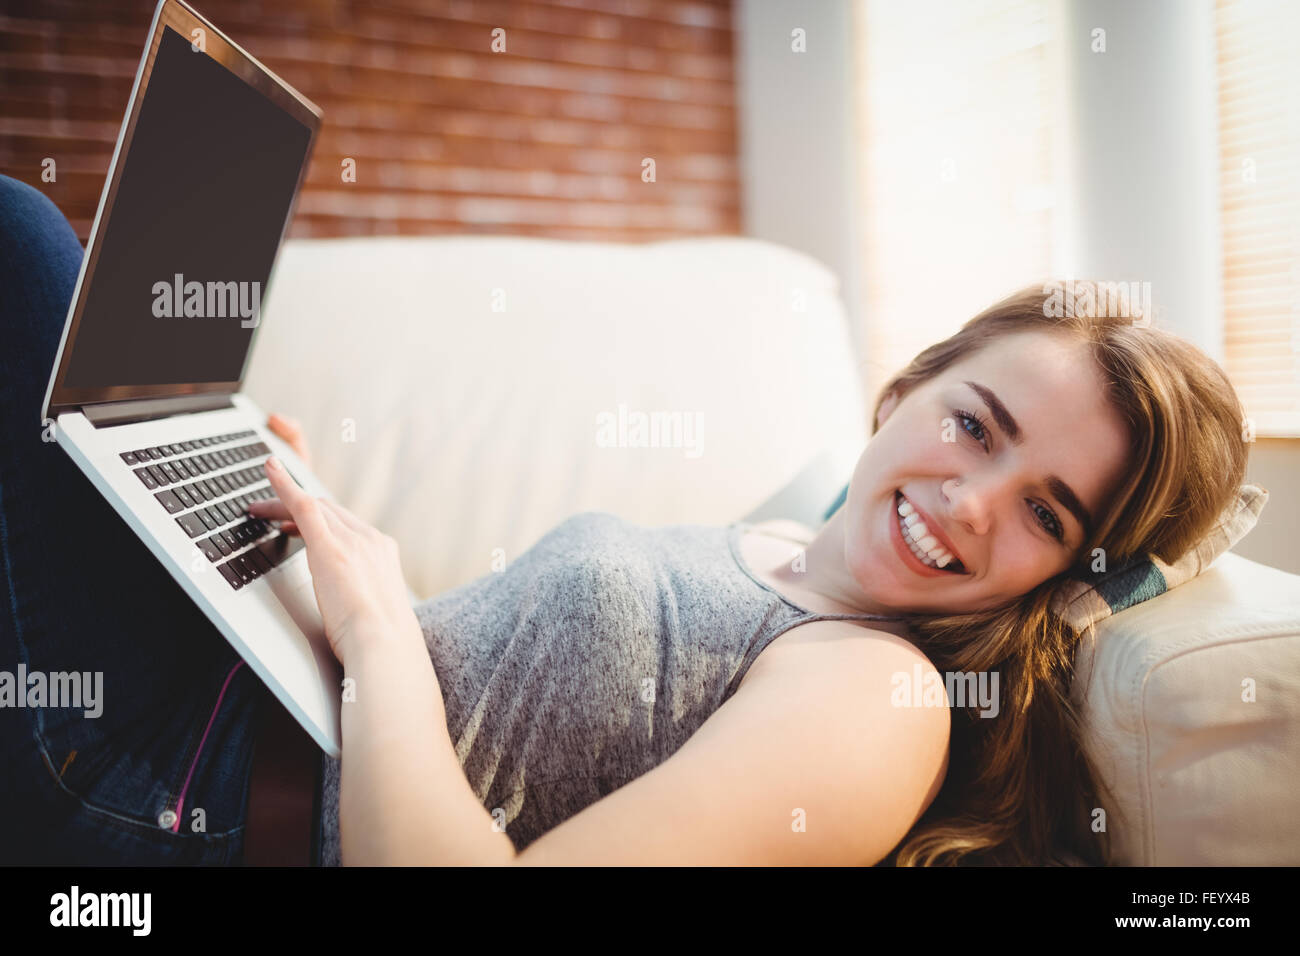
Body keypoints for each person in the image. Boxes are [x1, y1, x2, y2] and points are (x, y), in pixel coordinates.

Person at [0, 173, 1248, 865]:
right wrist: (316, 534)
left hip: (171, 797)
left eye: (1042, 509)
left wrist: (379, 629)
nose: (966, 502)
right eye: (974, 422)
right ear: (910, 382)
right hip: (231, 690)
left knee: (19, 237)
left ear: (1064, 565)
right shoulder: (776, 555)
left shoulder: (880, 697)